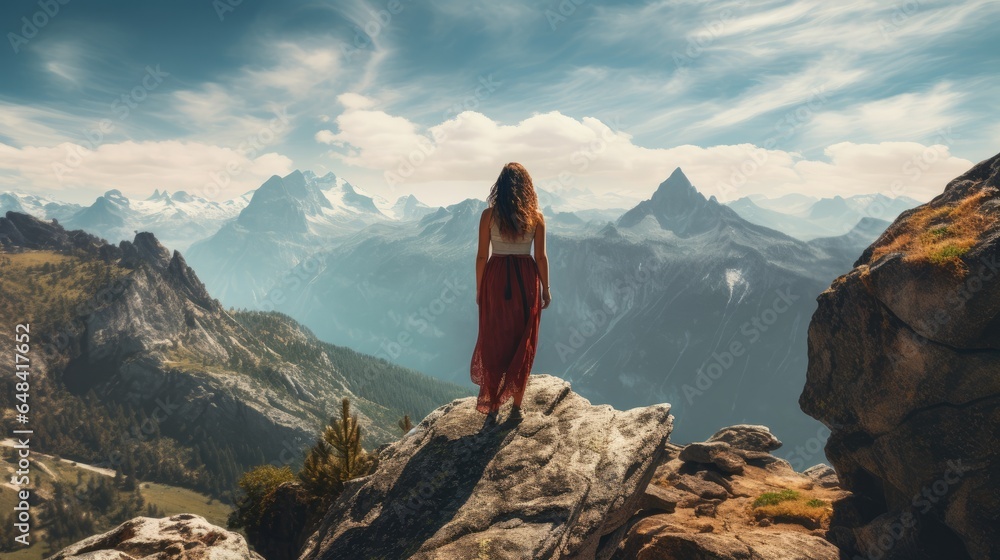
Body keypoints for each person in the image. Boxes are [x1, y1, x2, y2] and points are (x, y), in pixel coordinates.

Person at [470, 162, 552, 421]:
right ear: (527, 188)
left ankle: (493, 405)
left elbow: (483, 255)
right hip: (525, 279)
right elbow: (540, 256)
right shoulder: (536, 217)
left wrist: (480, 288)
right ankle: (517, 406)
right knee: (524, 338)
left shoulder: (488, 215)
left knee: (495, 338)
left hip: (496, 279)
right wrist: (545, 289)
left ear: (500, 188)